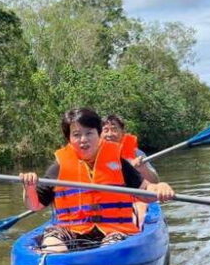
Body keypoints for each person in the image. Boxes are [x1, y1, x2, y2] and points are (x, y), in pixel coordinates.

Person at [19, 108, 174, 253]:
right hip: (71, 229)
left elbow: (146, 193)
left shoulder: (119, 163)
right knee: (52, 239)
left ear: (99, 135)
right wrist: (29, 188)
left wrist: (160, 186)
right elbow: (35, 205)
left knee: (111, 248)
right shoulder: (58, 167)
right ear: (69, 138)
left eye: (89, 133)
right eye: (77, 135)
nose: (83, 140)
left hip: (113, 229)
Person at [100, 114, 159, 183]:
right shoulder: (92, 154)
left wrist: (143, 169)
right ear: (100, 134)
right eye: (106, 130)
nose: (110, 134)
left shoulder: (137, 153)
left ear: (122, 132)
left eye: (114, 129)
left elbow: (155, 182)